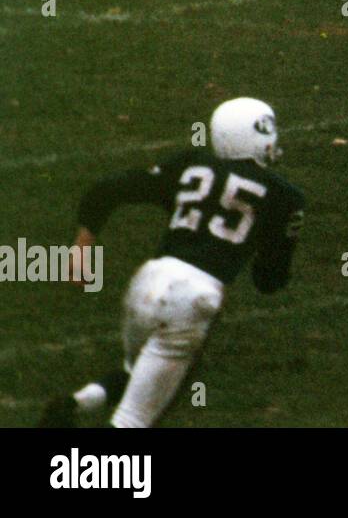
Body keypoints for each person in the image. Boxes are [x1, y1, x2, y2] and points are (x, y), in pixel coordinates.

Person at [38, 97, 305, 428]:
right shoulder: (286, 197)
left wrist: (80, 252)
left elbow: (106, 190)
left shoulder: (191, 163)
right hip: (194, 299)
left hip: (148, 280)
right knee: (134, 420)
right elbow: (269, 281)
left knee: (136, 372)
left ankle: (75, 405)